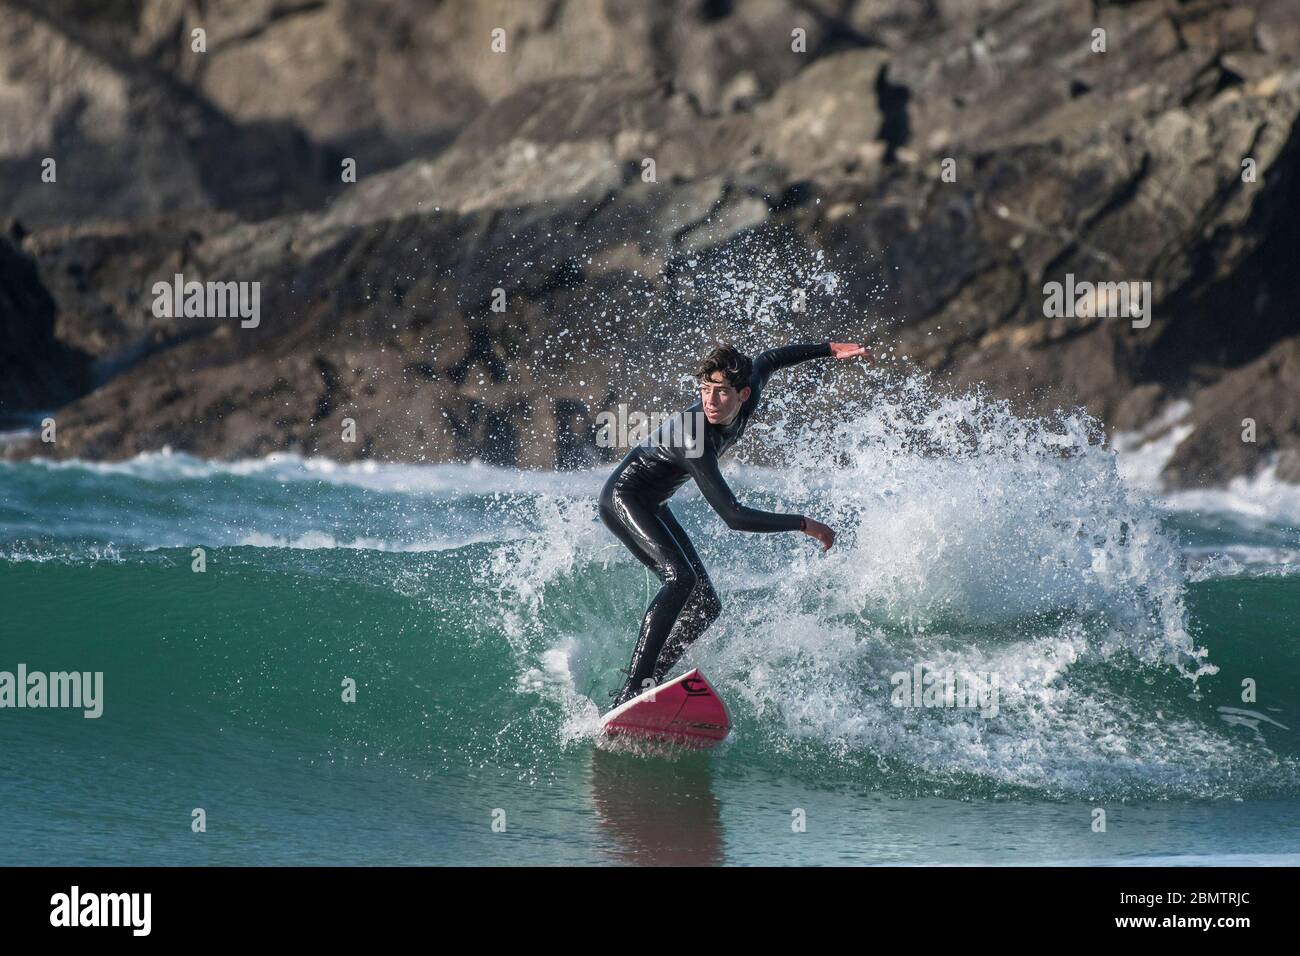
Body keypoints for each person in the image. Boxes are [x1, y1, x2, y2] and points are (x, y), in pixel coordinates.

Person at [598, 340, 873, 708]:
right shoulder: (694, 435)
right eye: (705, 390)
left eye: (721, 392)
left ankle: (652, 682)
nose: (711, 401)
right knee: (680, 579)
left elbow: (770, 359)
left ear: (743, 394)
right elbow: (734, 516)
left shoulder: (747, 394)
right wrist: (804, 524)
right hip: (624, 497)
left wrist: (828, 349)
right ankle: (632, 689)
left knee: (706, 605)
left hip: (654, 502)